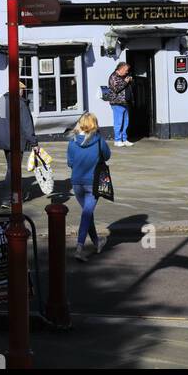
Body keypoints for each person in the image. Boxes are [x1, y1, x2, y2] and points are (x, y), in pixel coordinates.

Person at [67, 112, 111, 261]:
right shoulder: (99, 140)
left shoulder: (72, 141)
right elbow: (107, 156)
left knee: (88, 214)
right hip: (93, 183)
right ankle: (79, 248)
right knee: (86, 214)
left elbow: (70, 163)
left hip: (76, 183)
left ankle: (97, 242)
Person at [0, 82, 38, 207]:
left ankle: (17, 195)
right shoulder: (20, 103)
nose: (23, 92)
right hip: (16, 141)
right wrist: (34, 143)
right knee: (13, 170)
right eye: (22, 89)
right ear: (18, 90)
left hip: (3, 141)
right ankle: (9, 198)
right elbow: (27, 125)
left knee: (11, 168)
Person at [108, 62, 133, 146]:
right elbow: (116, 89)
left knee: (126, 122)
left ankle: (124, 139)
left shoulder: (124, 76)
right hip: (117, 103)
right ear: (121, 69)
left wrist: (130, 80)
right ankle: (117, 140)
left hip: (125, 102)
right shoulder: (113, 76)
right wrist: (125, 82)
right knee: (118, 122)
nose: (127, 72)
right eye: (126, 70)